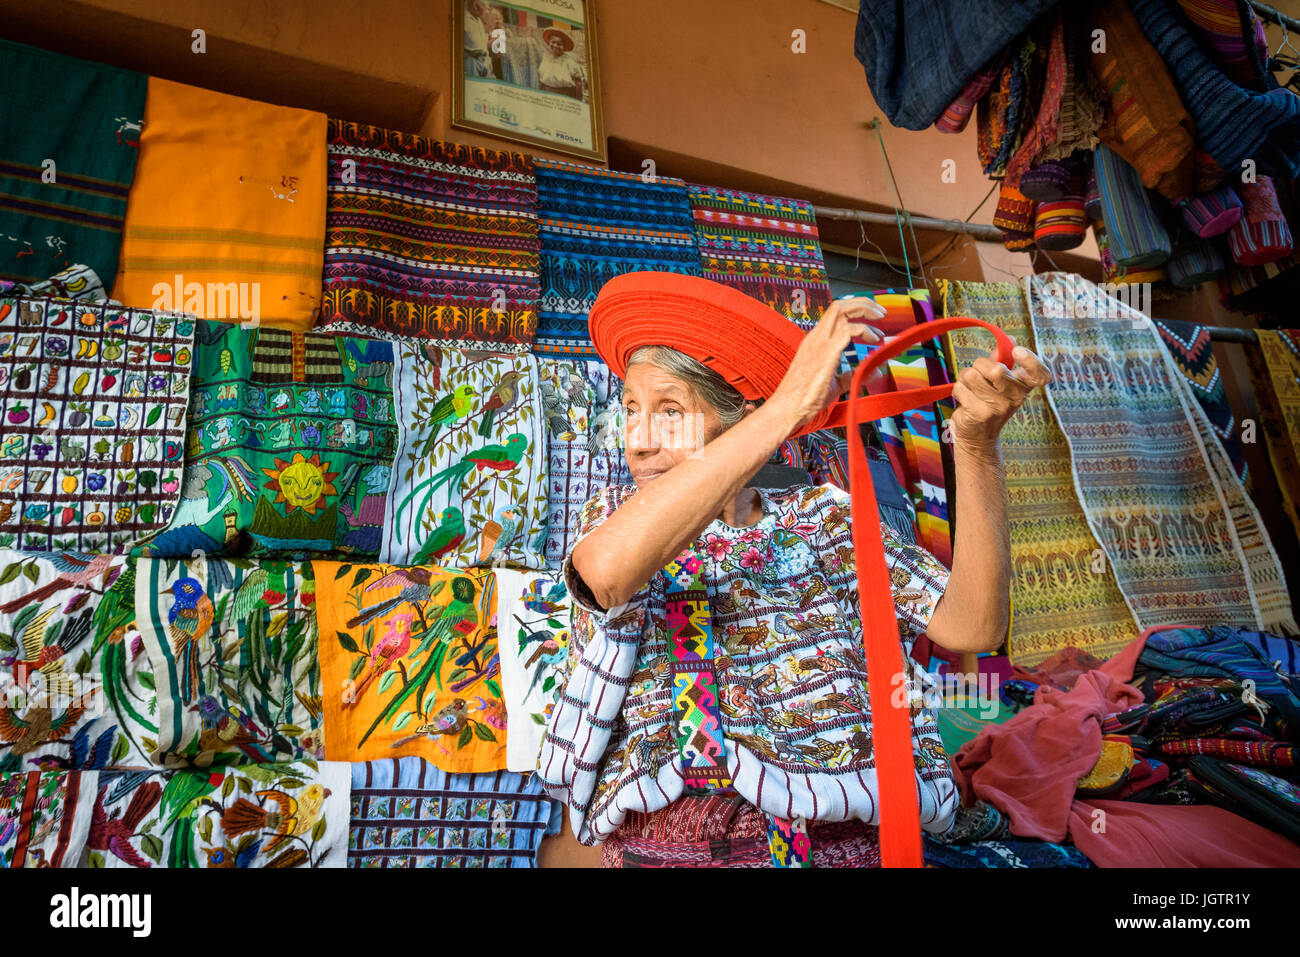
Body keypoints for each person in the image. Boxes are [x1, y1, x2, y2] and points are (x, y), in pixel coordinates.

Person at [538, 272, 1052, 867]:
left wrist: (976, 446)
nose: (639, 440)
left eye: (670, 411)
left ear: (741, 422)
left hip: (843, 842)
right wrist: (787, 406)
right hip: (684, 846)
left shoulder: (823, 519)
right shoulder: (616, 521)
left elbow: (972, 627)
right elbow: (603, 575)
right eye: (630, 409)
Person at [538, 27, 585, 99]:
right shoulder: (545, 57)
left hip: (564, 95)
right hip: (546, 93)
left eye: (559, 44)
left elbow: (578, 82)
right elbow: (541, 78)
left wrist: (578, 99)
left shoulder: (569, 61)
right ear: (549, 42)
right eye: (553, 42)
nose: (555, 45)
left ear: (564, 47)